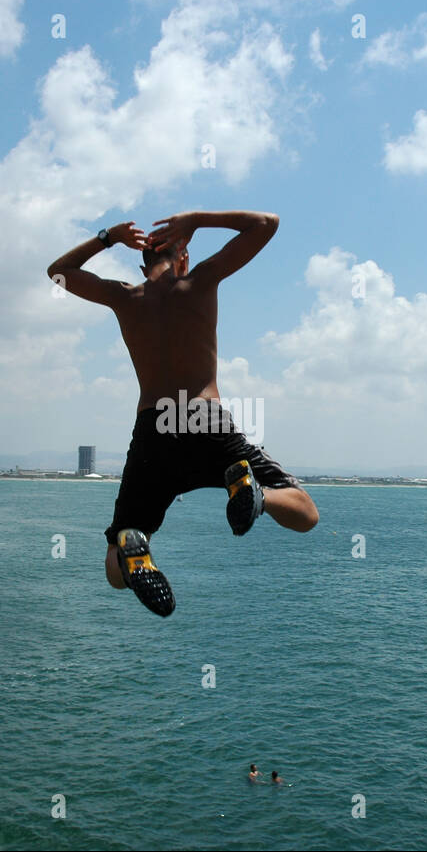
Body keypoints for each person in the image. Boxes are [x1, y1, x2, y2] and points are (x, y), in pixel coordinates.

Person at [47, 211, 320, 616]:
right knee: (305, 511)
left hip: (153, 429)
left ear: (142, 263)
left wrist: (108, 237)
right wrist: (197, 219)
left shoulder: (124, 296)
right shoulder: (199, 281)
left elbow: (59, 272)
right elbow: (268, 223)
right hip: (206, 418)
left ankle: (134, 548)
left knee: (115, 571)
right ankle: (255, 495)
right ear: (184, 258)